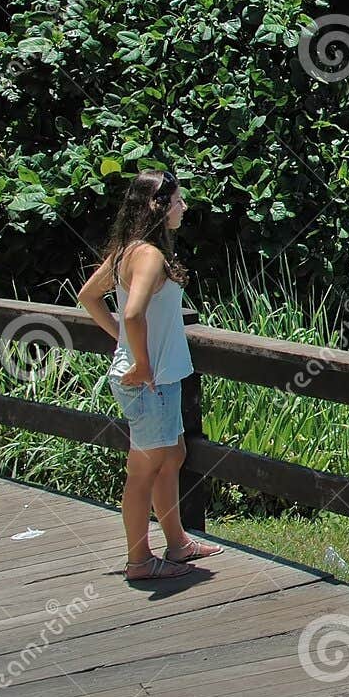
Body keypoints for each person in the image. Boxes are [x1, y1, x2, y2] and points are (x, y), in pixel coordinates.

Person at [75, 170, 221, 582]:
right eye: (177, 201)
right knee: (143, 470)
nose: (183, 207)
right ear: (159, 206)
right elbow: (135, 312)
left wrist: (123, 339)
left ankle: (177, 543)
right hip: (149, 381)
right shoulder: (150, 256)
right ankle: (139, 561)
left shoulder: (128, 250)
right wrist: (139, 359)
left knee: (172, 456)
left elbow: (89, 296)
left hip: (160, 378)